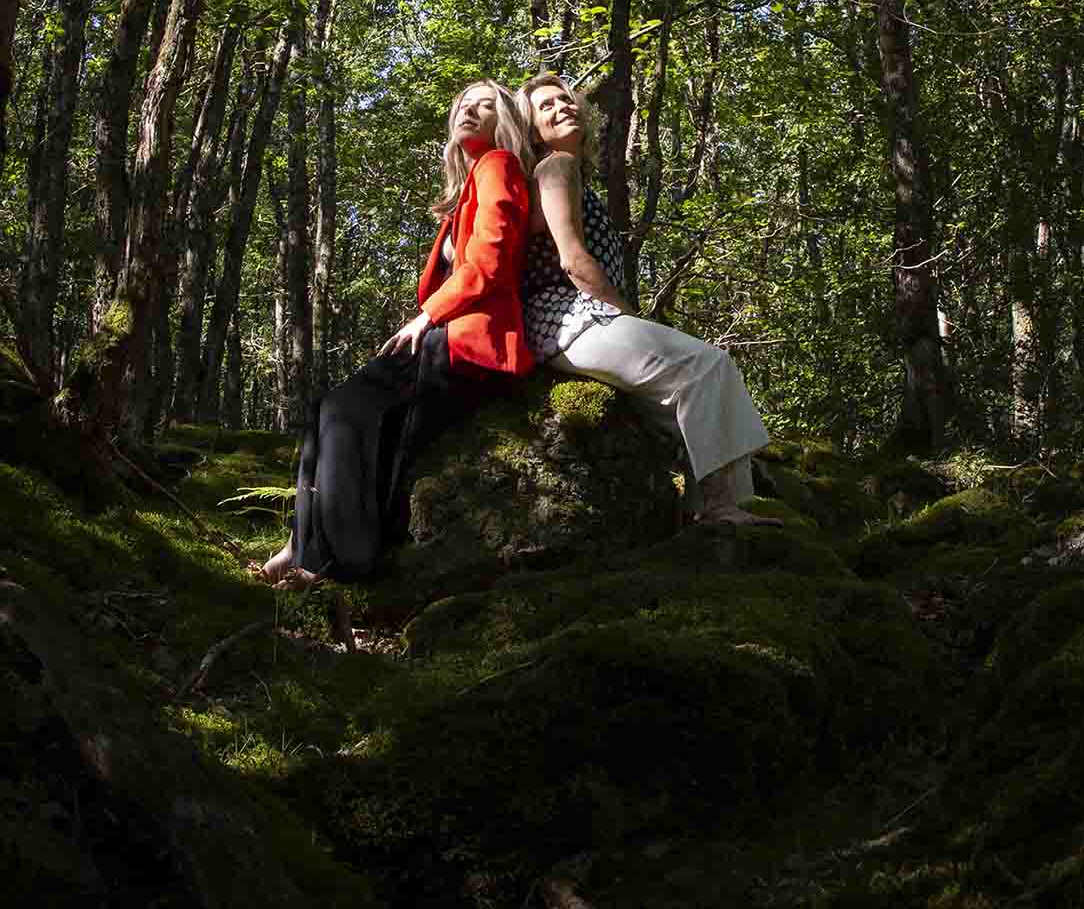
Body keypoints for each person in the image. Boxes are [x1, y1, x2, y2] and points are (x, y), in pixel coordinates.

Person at [260, 80, 534, 588]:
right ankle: (304, 543)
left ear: (506, 123)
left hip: (470, 343)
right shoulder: (468, 186)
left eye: (486, 106)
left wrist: (428, 315)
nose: (470, 112)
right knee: (331, 409)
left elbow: (490, 263)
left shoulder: (499, 164)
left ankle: (334, 563)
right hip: (448, 337)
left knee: (346, 412)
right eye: (464, 105)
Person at [517, 73, 778, 527]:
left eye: (566, 98)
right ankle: (719, 509)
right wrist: (622, 313)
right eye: (546, 106)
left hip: (561, 323)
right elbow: (573, 260)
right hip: (565, 317)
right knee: (706, 366)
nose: (562, 106)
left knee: (681, 407)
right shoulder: (555, 168)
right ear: (530, 131)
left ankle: (714, 514)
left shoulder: (571, 173)